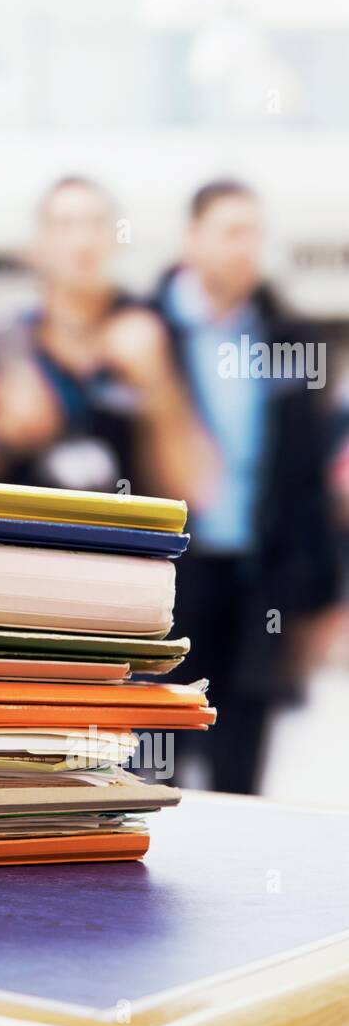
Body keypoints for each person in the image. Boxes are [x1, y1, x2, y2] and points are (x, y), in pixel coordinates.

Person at [152, 180, 340, 794]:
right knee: (157, 752)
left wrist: (321, 594)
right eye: (231, 231)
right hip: (170, 578)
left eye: (254, 233)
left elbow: (308, 477)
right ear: (192, 239)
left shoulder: (288, 337)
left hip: (261, 578)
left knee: (243, 761)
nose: (246, 248)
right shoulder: (146, 332)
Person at [0, 176, 216, 507]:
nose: (82, 241)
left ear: (117, 239)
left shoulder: (156, 335)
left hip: (128, 555)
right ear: (38, 246)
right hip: (24, 553)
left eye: (95, 224)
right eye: (65, 225)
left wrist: (157, 388)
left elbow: (196, 492)